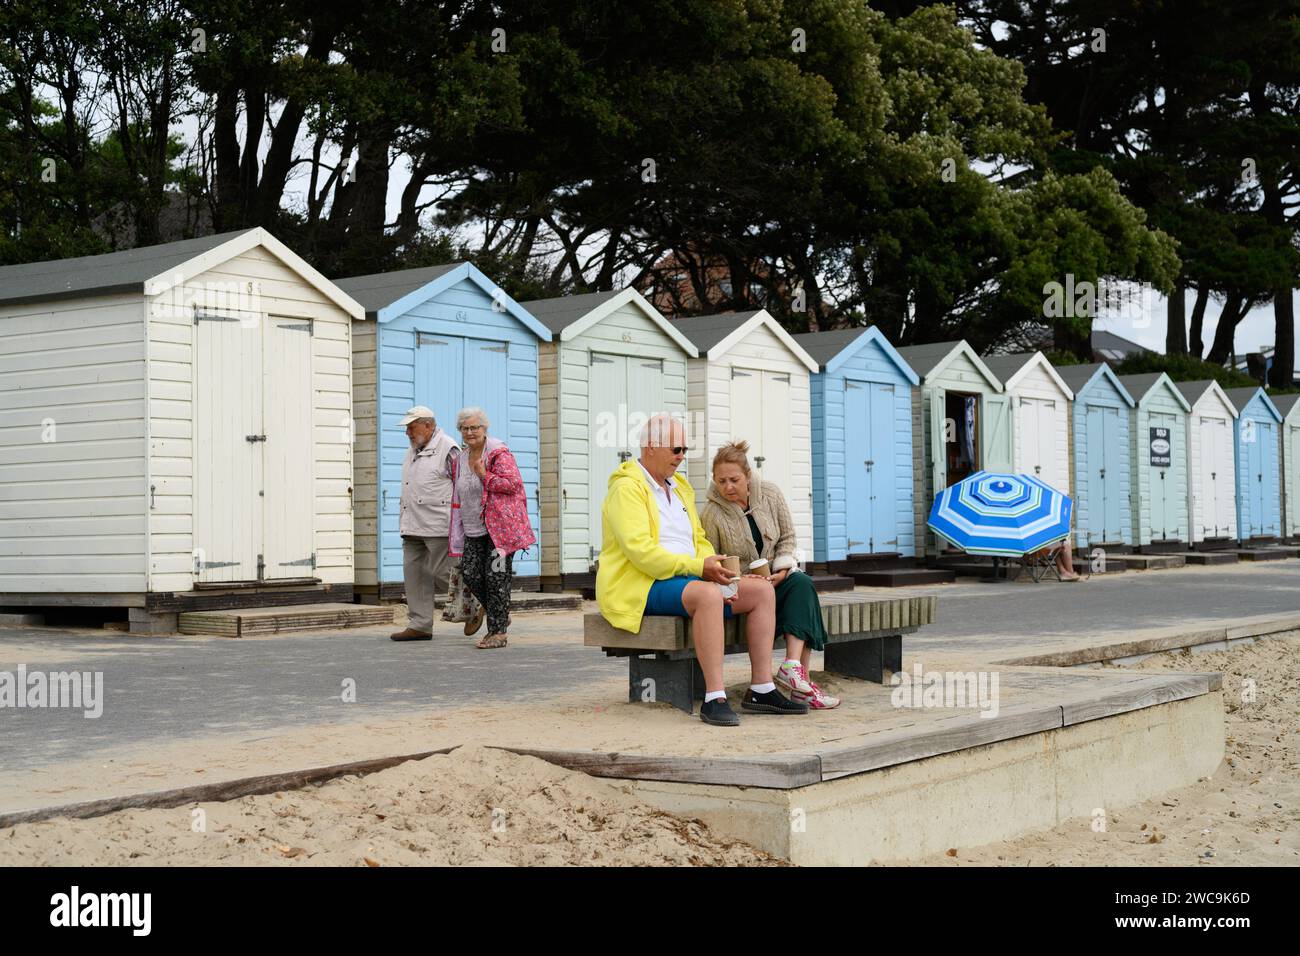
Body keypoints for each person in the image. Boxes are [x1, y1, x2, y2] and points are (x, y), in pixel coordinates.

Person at [595, 413, 808, 726]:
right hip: (642, 584)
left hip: (687, 578)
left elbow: (698, 540)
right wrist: (699, 568)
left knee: (761, 590)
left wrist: (716, 565)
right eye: (677, 449)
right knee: (708, 595)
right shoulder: (626, 490)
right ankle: (714, 697)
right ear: (651, 446)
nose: (682, 457)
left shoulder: (679, 487)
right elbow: (642, 554)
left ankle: (761, 689)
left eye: (685, 450)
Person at [701, 441, 840, 709]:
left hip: (775, 580)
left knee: (801, 584)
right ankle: (801, 684)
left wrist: (783, 568)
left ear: (748, 476)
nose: (728, 487)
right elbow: (711, 562)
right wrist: (743, 577)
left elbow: (787, 537)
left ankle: (792, 666)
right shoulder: (711, 513)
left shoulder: (771, 494)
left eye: (734, 480)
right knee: (801, 601)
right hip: (740, 590)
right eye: (721, 481)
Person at [447, 406, 536, 649]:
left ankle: (497, 632)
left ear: (485, 429)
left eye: (474, 427)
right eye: (464, 428)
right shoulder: (461, 458)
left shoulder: (498, 453)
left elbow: (512, 484)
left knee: (496, 577)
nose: (469, 432)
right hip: (473, 527)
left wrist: (485, 475)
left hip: (499, 530)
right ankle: (499, 613)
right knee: (472, 573)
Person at [390, 406, 458, 642]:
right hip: (412, 525)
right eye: (407, 428)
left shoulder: (449, 449)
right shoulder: (412, 451)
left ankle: (481, 603)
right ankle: (420, 624)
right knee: (414, 575)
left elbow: (464, 486)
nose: (407, 432)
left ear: (428, 426)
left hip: (438, 524)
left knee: (444, 573)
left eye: (412, 427)